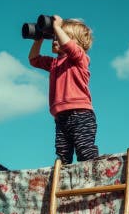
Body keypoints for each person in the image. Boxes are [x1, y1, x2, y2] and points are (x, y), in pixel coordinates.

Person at [28, 15, 99, 164]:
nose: (55, 40)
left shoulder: (81, 58)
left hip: (81, 114)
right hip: (61, 118)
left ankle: (95, 179)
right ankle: (64, 183)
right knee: (62, 155)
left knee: (85, 151)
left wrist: (57, 27)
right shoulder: (54, 64)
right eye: (53, 36)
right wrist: (38, 38)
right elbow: (34, 59)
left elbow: (70, 48)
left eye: (59, 36)